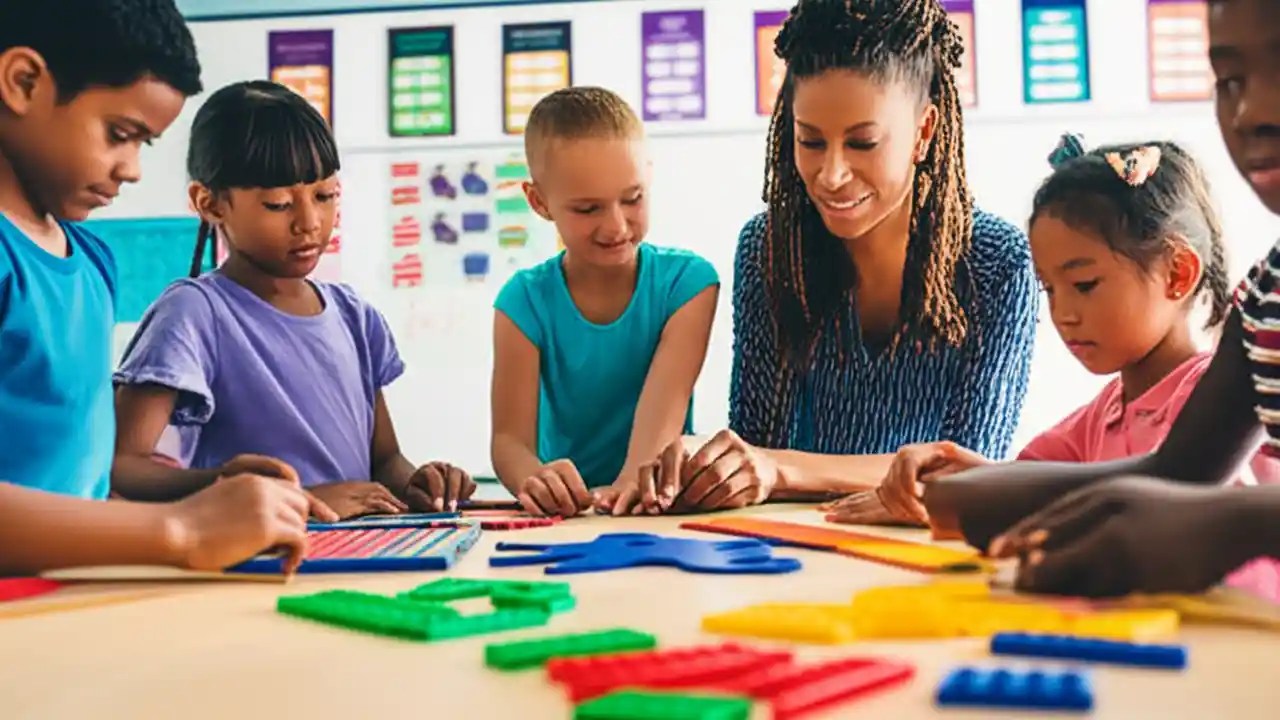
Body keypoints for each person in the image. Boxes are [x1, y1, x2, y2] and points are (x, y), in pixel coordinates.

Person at [923, 0, 1280, 598]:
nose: (1252, 113)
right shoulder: (1268, 291)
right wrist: (963, 489)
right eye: (1230, 81)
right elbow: (1178, 471)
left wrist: (1231, 526)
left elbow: (1196, 497)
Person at [642, 0, 1038, 513]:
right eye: (809, 141)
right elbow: (756, 440)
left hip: (926, 555)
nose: (830, 175)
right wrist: (715, 468)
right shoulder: (769, 248)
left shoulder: (997, 262)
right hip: (798, 546)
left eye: (863, 143)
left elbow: (968, 469)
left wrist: (780, 467)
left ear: (924, 131)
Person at [0, 0, 311, 575]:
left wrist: (208, 490)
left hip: (68, 609)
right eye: (120, 134)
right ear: (23, 82)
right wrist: (180, 529)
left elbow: (81, 478)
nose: (133, 168)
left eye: (144, 144)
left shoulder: (91, 260)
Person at [829, 135, 1277, 527]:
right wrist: (949, 478)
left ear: (1178, 274)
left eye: (1085, 285)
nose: (1063, 314)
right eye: (1049, 289)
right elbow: (1035, 480)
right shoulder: (1103, 413)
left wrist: (976, 491)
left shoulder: (1214, 398)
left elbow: (1187, 509)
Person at [112, 81, 475, 520]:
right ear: (208, 203)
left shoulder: (353, 316)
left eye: (325, 196)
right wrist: (241, 486)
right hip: (257, 563)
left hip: (366, 552)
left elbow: (385, 462)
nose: (309, 222)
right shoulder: (194, 312)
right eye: (279, 204)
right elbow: (121, 467)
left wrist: (420, 484)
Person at [490, 86, 719, 518]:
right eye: (587, 209)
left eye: (632, 198)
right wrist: (532, 477)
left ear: (648, 177)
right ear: (539, 202)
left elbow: (659, 420)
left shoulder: (688, 284)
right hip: (569, 516)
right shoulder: (522, 302)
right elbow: (509, 441)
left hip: (657, 505)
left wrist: (631, 480)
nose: (615, 226)